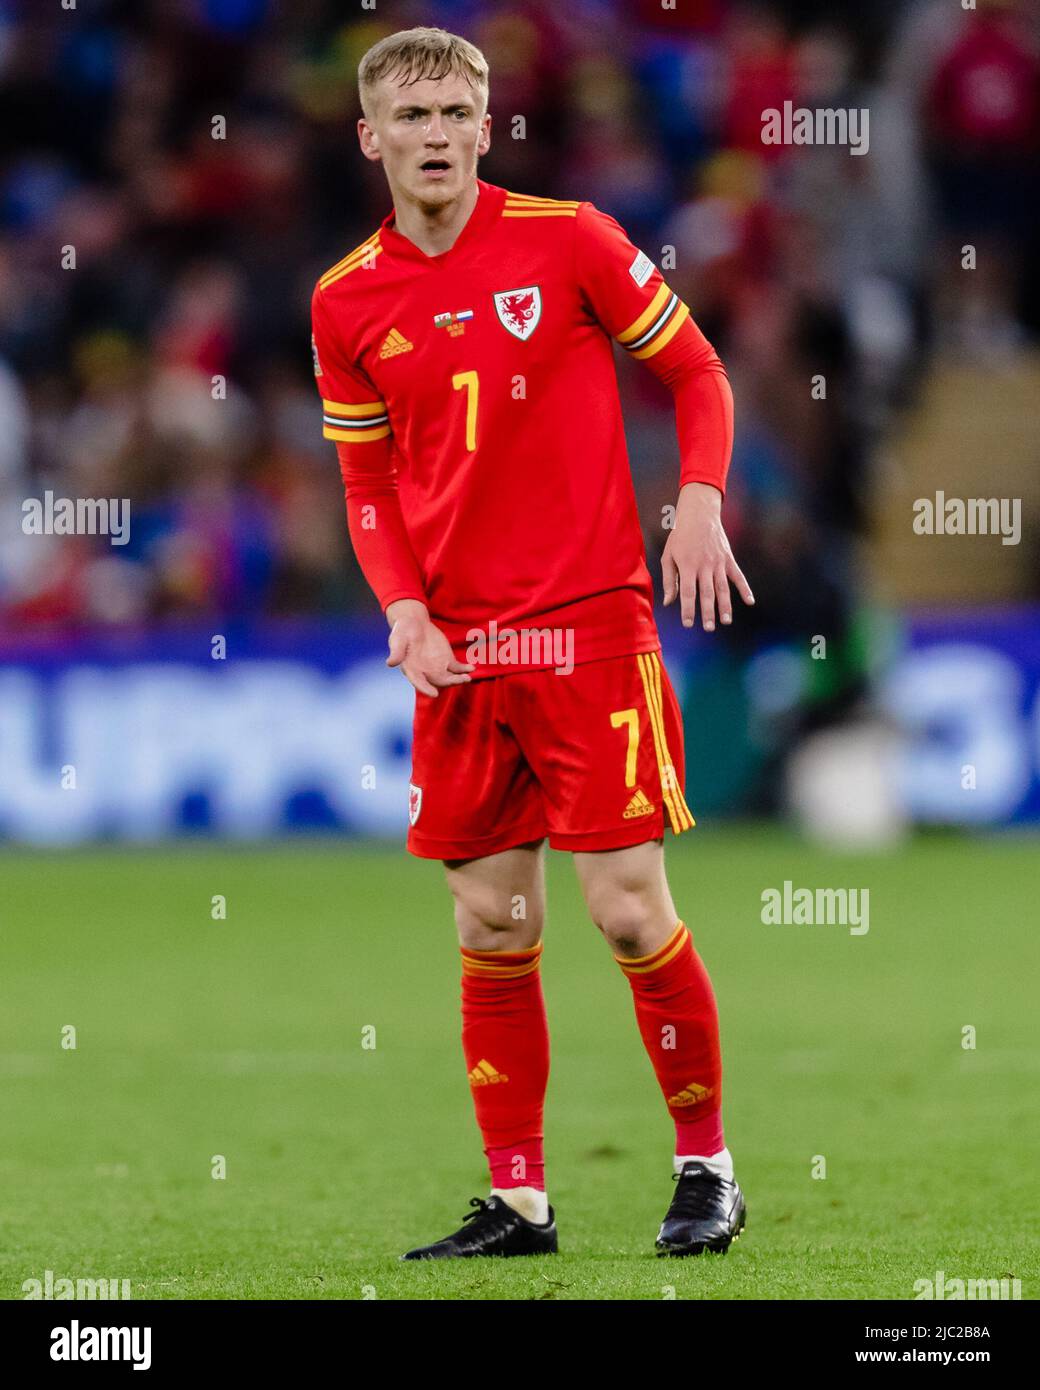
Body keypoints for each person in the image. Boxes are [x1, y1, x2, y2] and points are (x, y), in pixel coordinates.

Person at [310, 26, 754, 1260]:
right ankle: (518, 1201)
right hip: (457, 648)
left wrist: (701, 500)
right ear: (372, 139)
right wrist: (402, 608)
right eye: (412, 118)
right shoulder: (346, 298)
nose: (436, 135)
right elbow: (366, 486)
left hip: (588, 627)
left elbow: (698, 372)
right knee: (491, 924)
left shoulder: (569, 239)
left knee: (622, 909)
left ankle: (705, 1169)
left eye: (456, 111)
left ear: (486, 125)